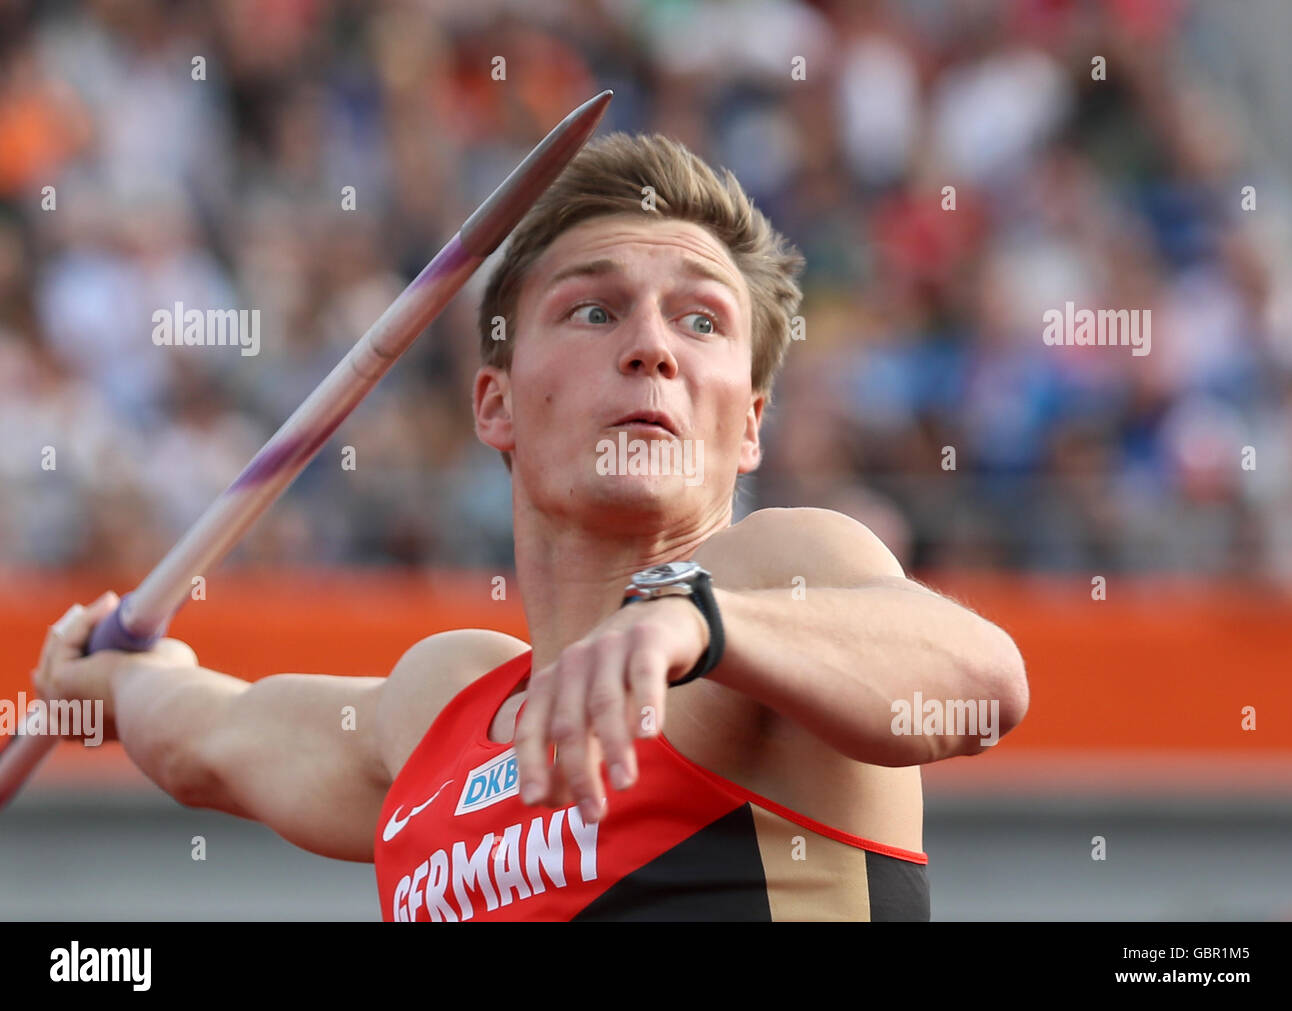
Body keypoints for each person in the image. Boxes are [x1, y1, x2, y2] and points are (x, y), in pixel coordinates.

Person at [33, 133, 1029, 921]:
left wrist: (690, 618)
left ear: (752, 423)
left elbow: (981, 682)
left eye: (700, 321)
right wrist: (113, 677)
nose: (650, 348)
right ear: (494, 404)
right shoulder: (434, 710)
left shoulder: (780, 577)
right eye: (594, 312)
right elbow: (208, 736)